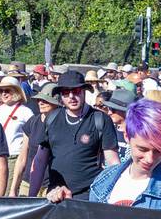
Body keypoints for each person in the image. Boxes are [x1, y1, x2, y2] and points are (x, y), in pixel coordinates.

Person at [38, 70, 119, 201]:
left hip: (89, 196)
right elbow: (40, 160)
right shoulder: (51, 118)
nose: (71, 96)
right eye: (65, 92)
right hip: (55, 194)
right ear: (60, 95)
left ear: (84, 91)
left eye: (76, 91)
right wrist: (30, 198)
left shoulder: (100, 119)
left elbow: (113, 163)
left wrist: (113, 198)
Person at [0, 75, 33, 194]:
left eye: (7, 90)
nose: (4, 93)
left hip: (14, 157)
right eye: (1, 90)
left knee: (7, 192)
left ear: (15, 92)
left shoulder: (26, 112)